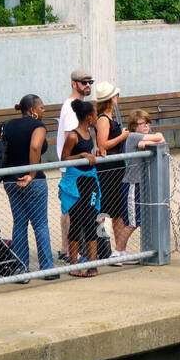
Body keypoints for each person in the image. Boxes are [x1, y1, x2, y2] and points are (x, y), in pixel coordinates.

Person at [0, 94, 54, 276]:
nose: (43, 111)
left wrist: (4, 166)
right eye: (41, 108)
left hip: (11, 181)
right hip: (33, 181)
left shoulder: (6, 125)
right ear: (32, 111)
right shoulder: (38, 125)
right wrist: (31, 173)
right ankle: (47, 269)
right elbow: (36, 147)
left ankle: (21, 268)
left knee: (19, 223)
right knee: (40, 225)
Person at [57, 69, 95, 259]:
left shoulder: (78, 105)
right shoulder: (72, 107)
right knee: (71, 208)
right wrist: (79, 156)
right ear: (74, 83)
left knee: (77, 208)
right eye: (84, 82)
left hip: (79, 168)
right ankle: (68, 250)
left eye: (90, 82)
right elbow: (69, 138)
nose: (88, 85)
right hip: (73, 169)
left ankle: (71, 249)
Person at [60, 99, 101, 275]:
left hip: (90, 181)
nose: (97, 117)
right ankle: (74, 265)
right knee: (77, 222)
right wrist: (82, 154)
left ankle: (92, 264)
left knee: (91, 221)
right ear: (89, 117)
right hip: (76, 183)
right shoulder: (73, 136)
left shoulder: (89, 133)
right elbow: (64, 158)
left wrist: (94, 153)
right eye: (96, 114)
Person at [92, 82, 133, 257]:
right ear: (110, 99)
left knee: (118, 211)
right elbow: (103, 144)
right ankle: (102, 249)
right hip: (108, 169)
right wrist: (123, 136)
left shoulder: (110, 117)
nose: (118, 98)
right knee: (105, 209)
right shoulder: (103, 119)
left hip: (116, 167)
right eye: (116, 96)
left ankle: (119, 249)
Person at [118, 110, 166, 258]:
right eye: (141, 123)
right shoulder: (132, 136)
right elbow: (159, 137)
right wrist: (151, 140)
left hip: (144, 185)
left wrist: (147, 142)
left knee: (144, 219)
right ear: (133, 126)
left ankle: (145, 250)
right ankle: (118, 252)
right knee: (132, 222)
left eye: (147, 123)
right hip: (133, 183)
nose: (146, 126)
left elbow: (162, 139)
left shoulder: (141, 137)